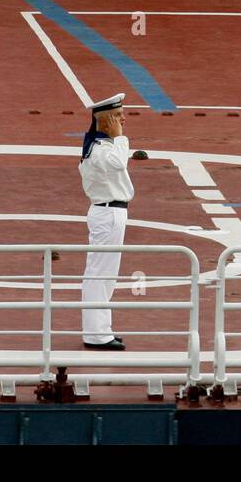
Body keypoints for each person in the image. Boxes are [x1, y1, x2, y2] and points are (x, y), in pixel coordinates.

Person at [78, 93, 134, 351]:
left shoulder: (101, 147)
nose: (123, 118)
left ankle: (101, 330)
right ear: (107, 120)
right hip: (108, 212)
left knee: (105, 275)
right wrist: (121, 138)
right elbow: (116, 163)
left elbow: (117, 161)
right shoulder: (103, 150)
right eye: (119, 115)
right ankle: (96, 335)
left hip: (110, 213)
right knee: (100, 274)